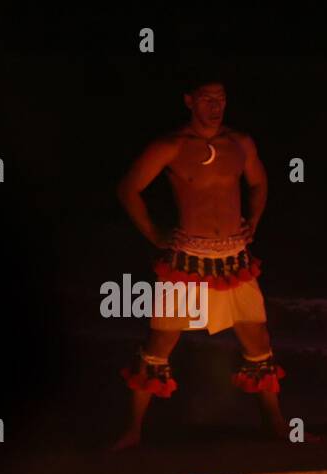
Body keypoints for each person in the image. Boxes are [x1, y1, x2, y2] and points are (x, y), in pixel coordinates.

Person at [113, 76, 295, 449]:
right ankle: (132, 431)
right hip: (188, 258)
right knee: (161, 341)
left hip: (235, 258)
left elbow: (259, 183)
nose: (216, 106)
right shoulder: (171, 146)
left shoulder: (239, 143)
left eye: (221, 98)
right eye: (207, 99)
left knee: (257, 337)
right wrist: (157, 235)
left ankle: (277, 425)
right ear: (189, 101)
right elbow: (128, 188)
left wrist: (254, 222)